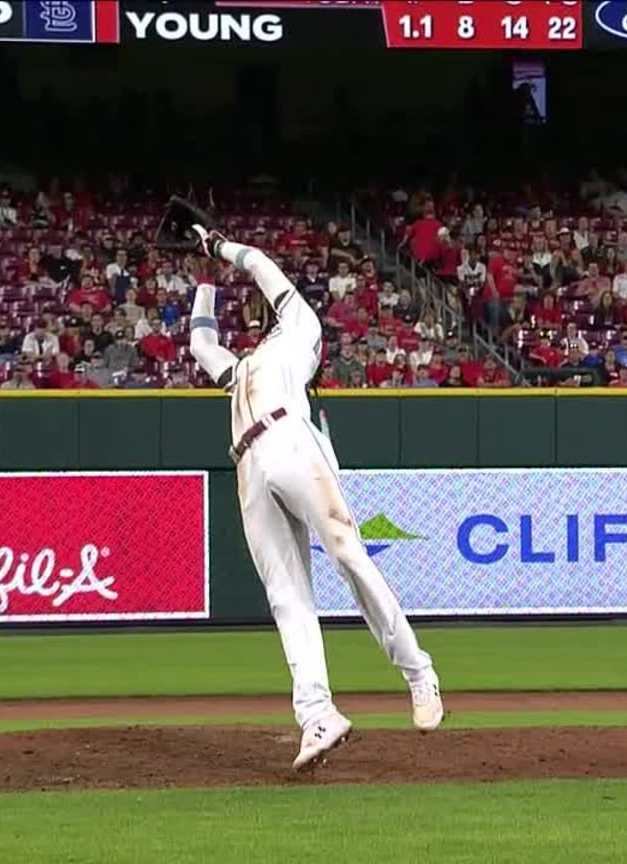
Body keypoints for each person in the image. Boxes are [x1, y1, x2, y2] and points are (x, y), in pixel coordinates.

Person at [180, 207, 442, 770]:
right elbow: (203, 347)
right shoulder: (244, 368)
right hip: (248, 463)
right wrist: (201, 277)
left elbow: (266, 272)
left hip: (289, 440)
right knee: (286, 595)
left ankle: (418, 672)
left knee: (349, 555)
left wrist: (220, 247)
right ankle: (318, 714)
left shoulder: (300, 331)